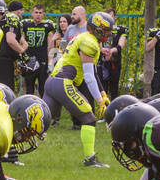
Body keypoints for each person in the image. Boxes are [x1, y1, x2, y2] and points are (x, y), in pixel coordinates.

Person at [42, 10, 113, 167]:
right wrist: (99, 101)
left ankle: (9, 152)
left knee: (39, 121)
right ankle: (90, 159)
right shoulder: (89, 42)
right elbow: (88, 76)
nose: (108, 34)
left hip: (52, 81)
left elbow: (93, 71)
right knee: (89, 118)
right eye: (106, 31)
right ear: (98, 29)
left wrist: (102, 92)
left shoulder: (85, 38)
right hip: (63, 83)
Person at [19, 5, 56, 96]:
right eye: (36, 12)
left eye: (40, 13)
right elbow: (21, 40)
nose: (38, 15)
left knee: (43, 88)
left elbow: (50, 45)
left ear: (43, 14)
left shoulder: (48, 25)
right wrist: (22, 57)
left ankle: (44, 107)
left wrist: (50, 61)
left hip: (42, 59)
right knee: (29, 88)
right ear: (32, 13)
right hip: (29, 60)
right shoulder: (25, 24)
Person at [0, 0, 27, 91]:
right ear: (19, 10)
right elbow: (10, 40)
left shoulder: (4, 18)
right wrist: (22, 53)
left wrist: (23, 45)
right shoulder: (12, 17)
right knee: (5, 90)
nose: (22, 13)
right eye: (22, 10)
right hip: (4, 59)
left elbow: (20, 40)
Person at [97, 10, 129, 99]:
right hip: (102, 62)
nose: (108, 18)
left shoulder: (121, 29)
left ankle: (114, 110)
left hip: (114, 61)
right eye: (106, 16)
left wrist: (111, 51)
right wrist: (102, 50)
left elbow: (121, 45)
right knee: (103, 89)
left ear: (115, 17)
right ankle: (103, 111)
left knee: (114, 89)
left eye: (111, 16)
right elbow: (98, 42)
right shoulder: (100, 29)